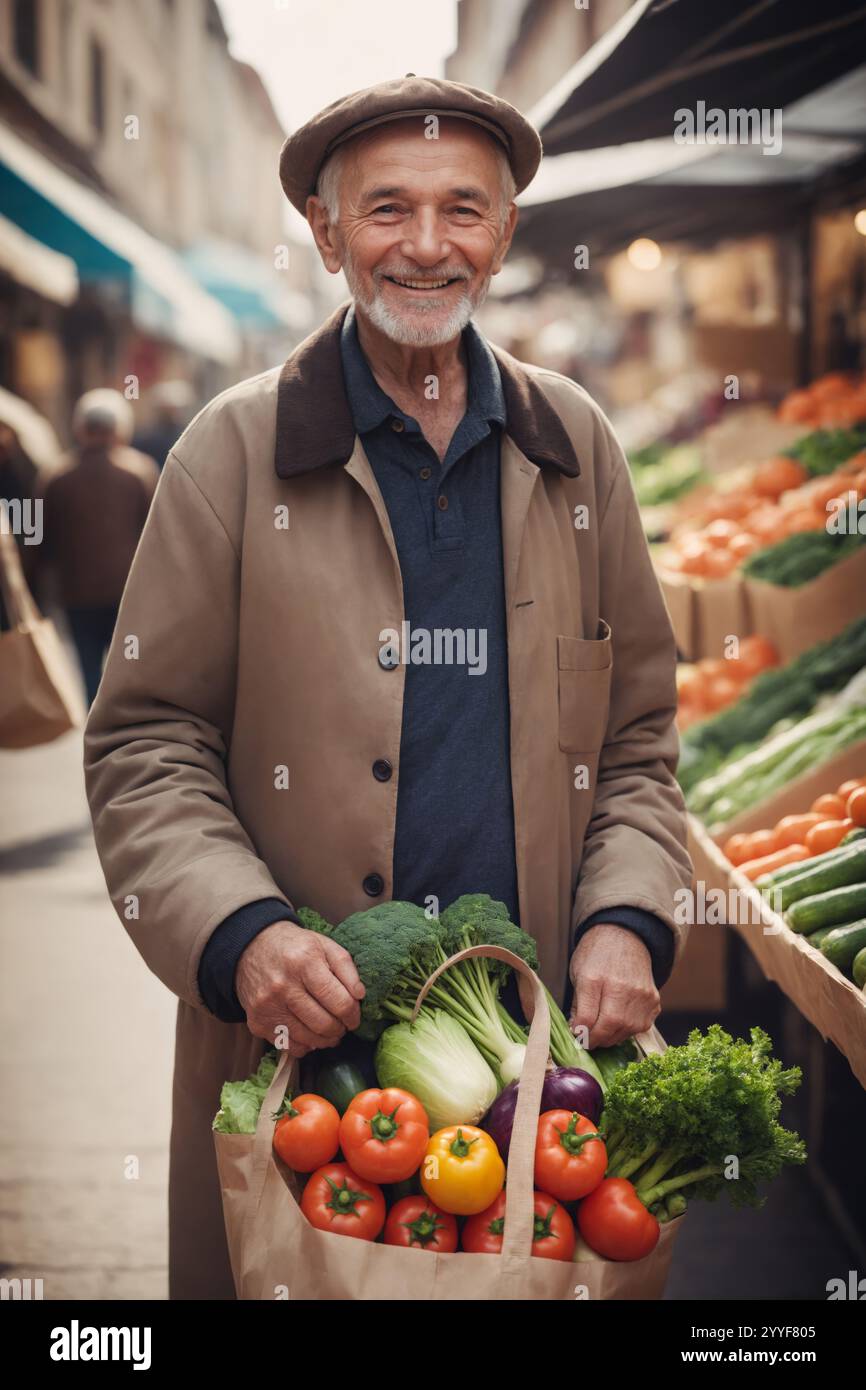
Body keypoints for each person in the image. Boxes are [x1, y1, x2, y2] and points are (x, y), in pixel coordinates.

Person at [83, 77, 693, 1300]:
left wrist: (627, 912)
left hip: (534, 1069)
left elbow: (635, 737)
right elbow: (147, 740)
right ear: (324, 233)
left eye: (462, 209)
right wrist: (241, 934)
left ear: (506, 231)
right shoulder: (230, 453)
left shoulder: (572, 445)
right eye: (385, 210)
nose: (425, 246)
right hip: (303, 1078)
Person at [38, 390, 158, 703]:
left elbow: (37, 537)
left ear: (80, 428)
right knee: (127, 668)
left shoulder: (55, 476)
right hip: (127, 590)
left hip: (76, 592)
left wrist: (36, 587)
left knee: (89, 669)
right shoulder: (140, 472)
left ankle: (95, 732)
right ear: (119, 429)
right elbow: (157, 534)